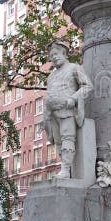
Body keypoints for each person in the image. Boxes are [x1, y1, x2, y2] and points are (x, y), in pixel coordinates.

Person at [43, 41, 93, 179]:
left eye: (56, 54)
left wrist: (74, 99)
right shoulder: (51, 76)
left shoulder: (74, 68)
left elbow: (87, 86)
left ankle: (65, 169)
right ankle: (64, 169)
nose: (54, 57)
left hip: (67, 110)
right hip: (52, 113)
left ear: (64, 54)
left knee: (68, 138)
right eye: (51, 55)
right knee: (58, 141)